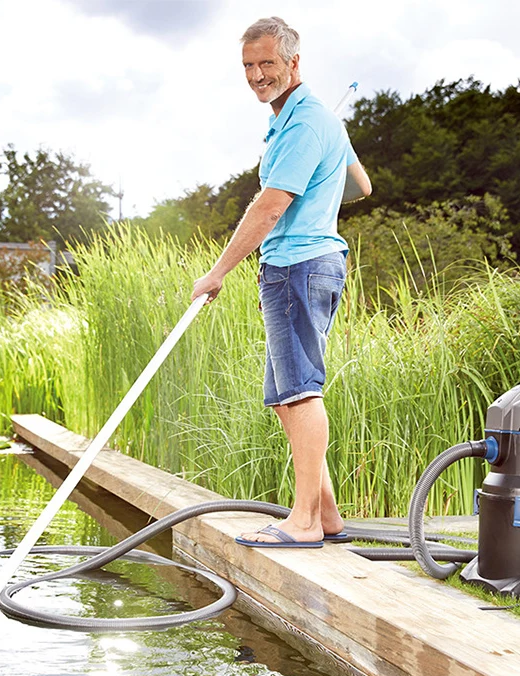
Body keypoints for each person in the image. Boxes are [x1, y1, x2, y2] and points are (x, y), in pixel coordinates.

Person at [190, 16, 371, 548]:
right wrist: (324, 172)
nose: (257, 74)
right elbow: (360, 185)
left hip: (297, 266)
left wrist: (218, 271)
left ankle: (305, 523)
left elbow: (269, 207)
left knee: (299, 392)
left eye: (267, 62)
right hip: (305, 264)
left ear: (294, 61)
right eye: (248, 65)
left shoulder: (305, 124)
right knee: (285, 394)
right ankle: (328, 516)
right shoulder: (311, 123)